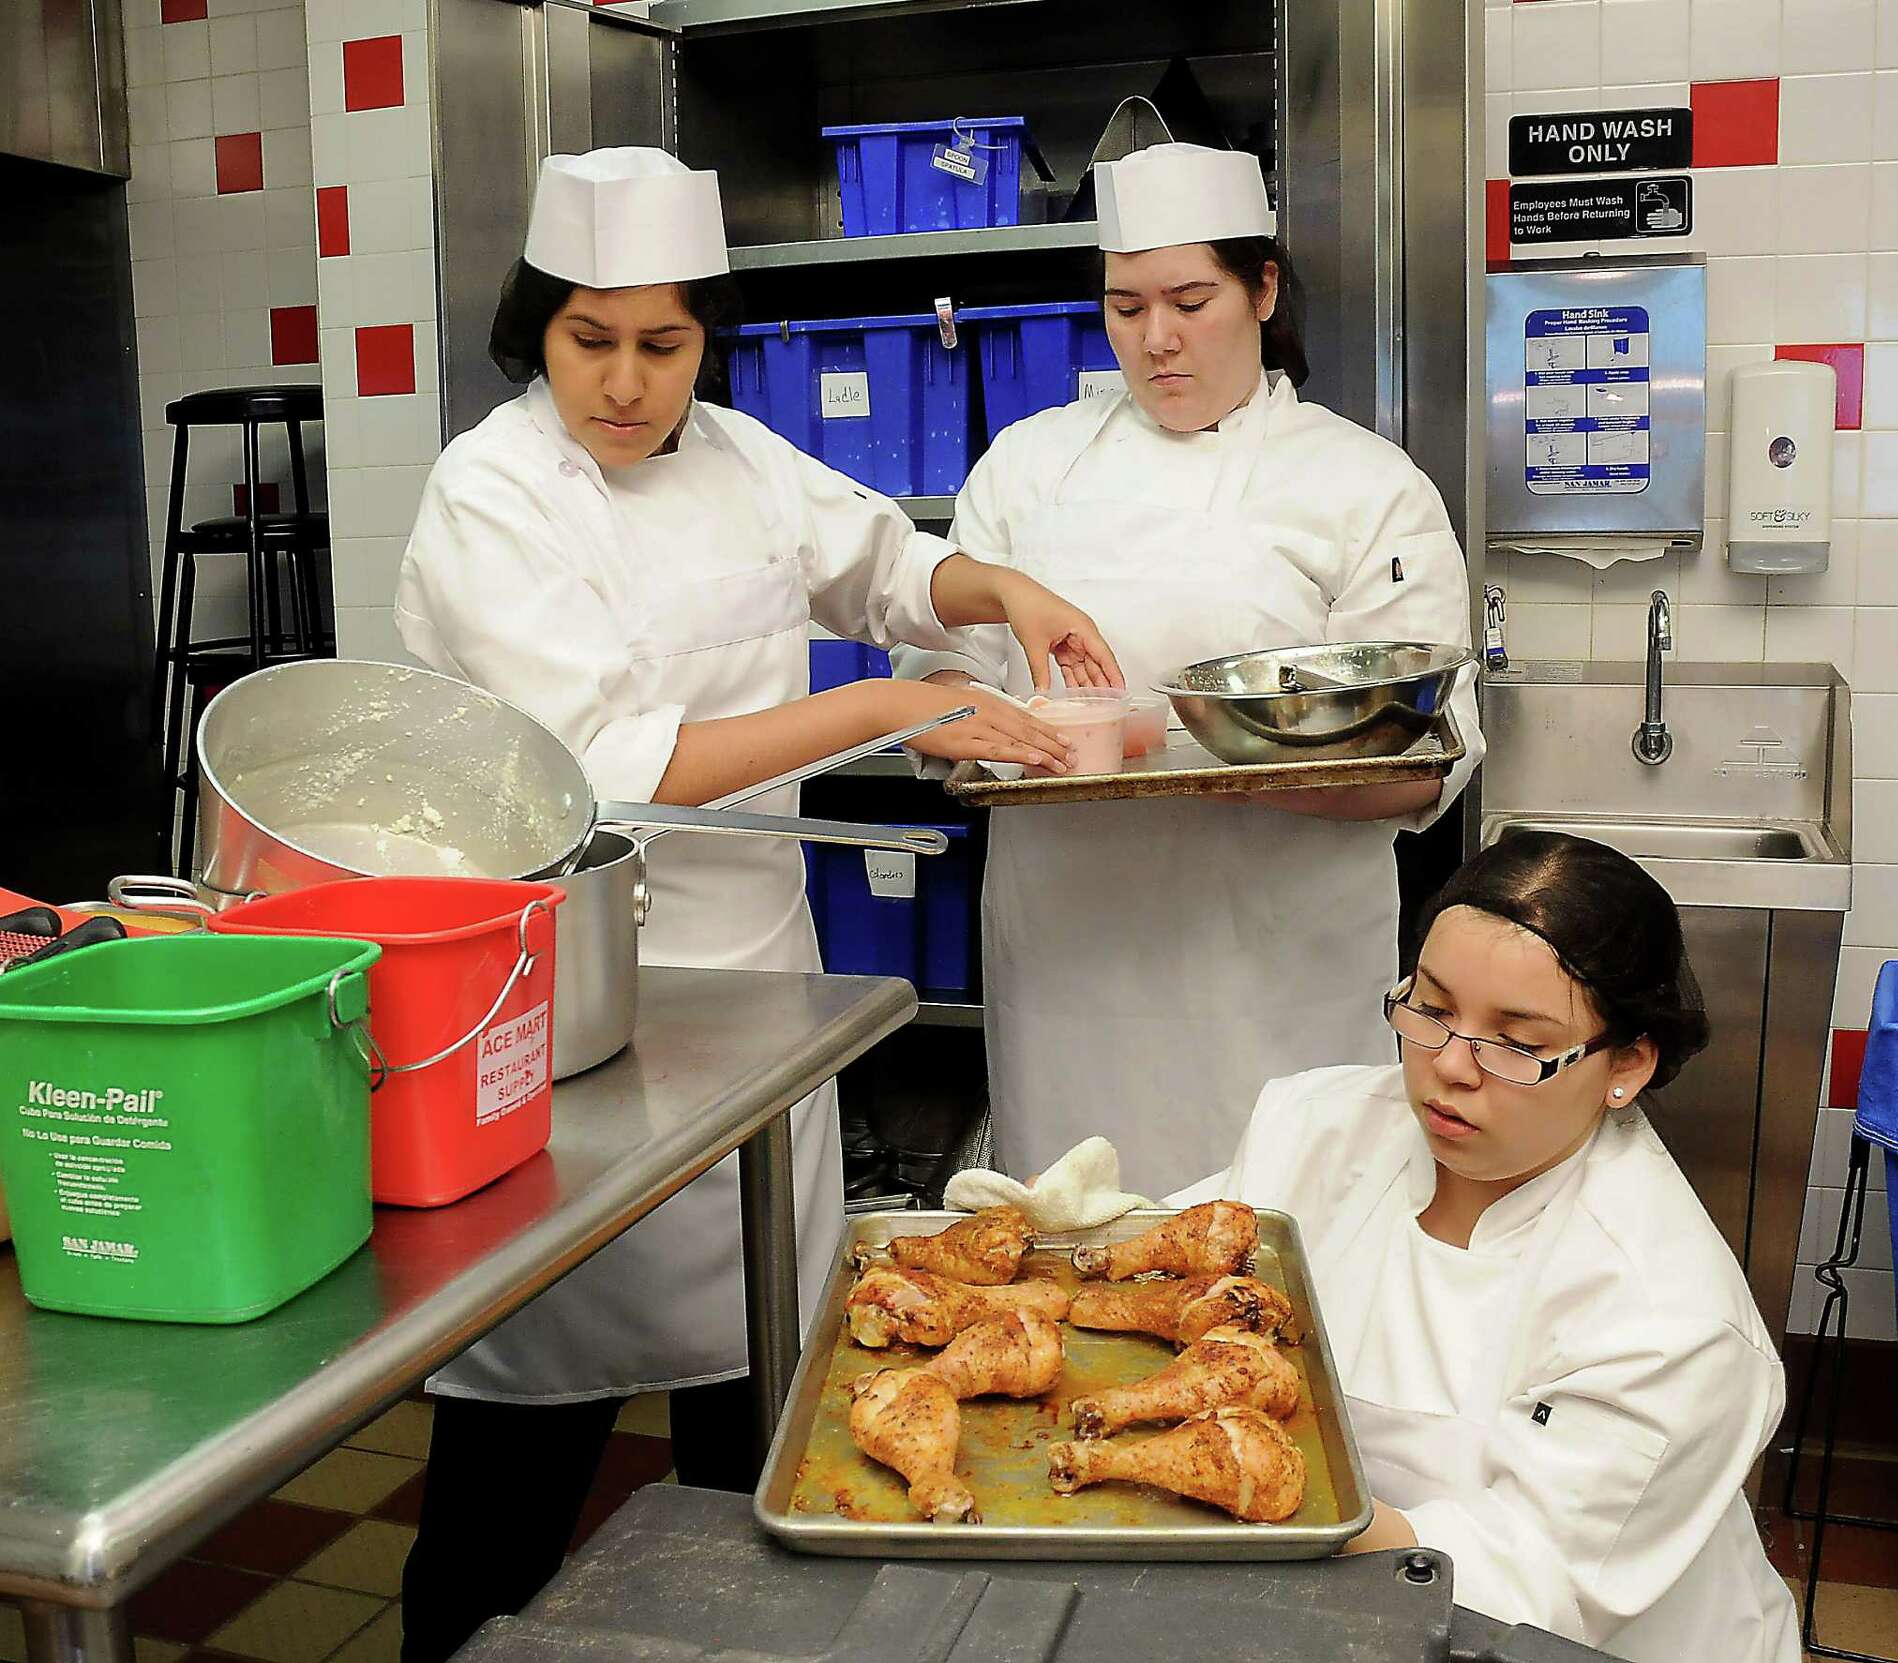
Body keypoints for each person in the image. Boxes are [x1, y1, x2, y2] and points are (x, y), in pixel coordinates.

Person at [391, 147, 1118, 1663]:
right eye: (592, 340)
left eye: (664, 342)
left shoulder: (736, 456)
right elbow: (605, 767)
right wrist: (893, 706)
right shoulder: (492, 491)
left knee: (763, 1434)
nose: (628, 381)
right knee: (519, 1459)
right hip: (561, 1012)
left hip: (754, 1018)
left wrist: (1007, 596)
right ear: (539, 328)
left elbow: (889, 566)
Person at [893, 142, 1484, 1191]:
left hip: (1280, 973)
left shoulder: (1366, 488)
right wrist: (950, 719)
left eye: (1190, 300)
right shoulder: (1029, 466)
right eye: (1125, 307)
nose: (1156, 340)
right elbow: (938, 679)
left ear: (1262, 289)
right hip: (1074, 967)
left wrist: (1185, 753)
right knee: (1076, 1249)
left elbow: (1419, 766)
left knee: (1281, 1254)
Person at [1168, 830, 1798, 1663]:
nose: (1450, 1068)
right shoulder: (1320, 1126)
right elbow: (1185, 1273)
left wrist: (1247, 1480)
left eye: (1518, 1042)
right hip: (1323, 1594)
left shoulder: (1670, 1317)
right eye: (1431, 1008)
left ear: (1628, 1063)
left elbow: (1524, 1585)